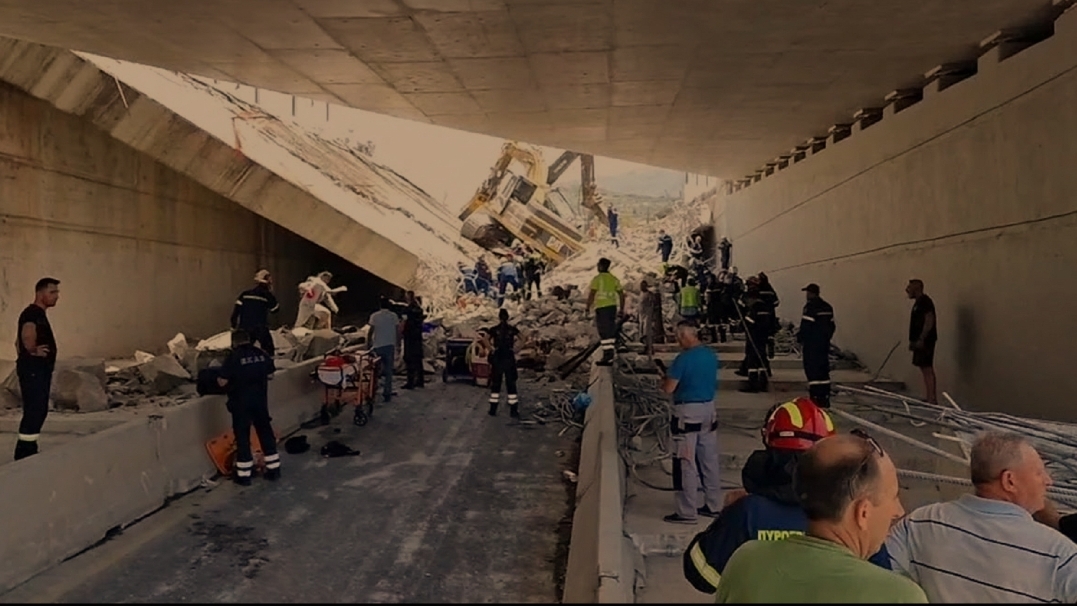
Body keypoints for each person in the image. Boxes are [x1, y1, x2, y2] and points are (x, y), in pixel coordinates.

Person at [683, 397, 895, 594]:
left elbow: (702, 576)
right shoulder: (856, 519)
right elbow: (884, 584)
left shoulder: (749, 512)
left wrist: (727, 516)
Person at [716, 432, 925, 603]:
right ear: (863, 513)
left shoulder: (746, 561)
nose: (899, 511)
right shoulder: (898, 596)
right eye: (893, 496)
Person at [886, 432, 1077, 603]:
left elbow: (880, 575)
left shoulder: (919, 522)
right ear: (1009, 481)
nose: (1048, 481)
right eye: (1039, 473)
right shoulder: (1059, 554)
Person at [655, 322, 721, 525]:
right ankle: (714, 505)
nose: (677, 341)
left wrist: (663, 380)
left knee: (686, 463)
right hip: (709, 411)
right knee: (709, 461)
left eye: (678, 337)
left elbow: (669, 388)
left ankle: (687, 511)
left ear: (685, 336)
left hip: (687, 413)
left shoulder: (682, 359)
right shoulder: (710, 355)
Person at [216, 329, 280, 486]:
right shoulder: (260, 353)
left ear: (234, 342)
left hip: (241, 404)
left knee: (243, 437)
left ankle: (244, 475)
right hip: (260, 402)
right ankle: (273, 470)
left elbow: (222, 382)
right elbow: (271, 375)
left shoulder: (233, 357)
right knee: (265, 433)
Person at [13, 278, 60, 461]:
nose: (56, 296)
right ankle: (24, 451)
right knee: (35, 410)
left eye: (57, 292)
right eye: (52, 292)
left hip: (37, 370)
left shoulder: (38, 314)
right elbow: (26, 335)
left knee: (38, 409)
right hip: (34, 370)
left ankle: (28, 448)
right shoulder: (32, 314)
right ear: (40, 294)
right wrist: (32, 351)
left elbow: (16, 343)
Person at [798, 283, 835, 408]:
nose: (806, 295)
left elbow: (806, 327)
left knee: (812, 370)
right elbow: (832, 326)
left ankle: (815, 398)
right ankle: (825, 397)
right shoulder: (827, 307)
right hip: (824, 344)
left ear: (811, 293)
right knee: (823, 370)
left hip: (812, 344)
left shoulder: (810, 307)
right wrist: (826, 338)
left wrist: (800, 339)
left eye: (807, 293)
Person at [230, 269, 280, 358]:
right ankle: (267, 363)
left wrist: (233, 326)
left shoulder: (245, 294)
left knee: (243, 351)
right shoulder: (267, 295)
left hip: (245, 327)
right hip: (260, 328)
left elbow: (235, 312)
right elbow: (275, 309)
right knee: (268, 350)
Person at [482, 308, 521, 418]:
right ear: (508, 317)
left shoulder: (494, 329)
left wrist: (491, 349)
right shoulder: (512, 329)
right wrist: (517, 348)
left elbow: (485, 339)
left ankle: (493, 410)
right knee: (511, 384)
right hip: (509, 357)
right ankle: (513, 411)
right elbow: (523, 337)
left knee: (496, 384)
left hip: (498, 358)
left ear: (499, 317)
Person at [586, 257, 625, 366]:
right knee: (610, 330)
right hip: (612, 308)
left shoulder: (597, 279)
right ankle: (611, 352)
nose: (597, 267)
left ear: (602, 266)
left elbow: (592, 294)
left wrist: (587, 307)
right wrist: (621, 309)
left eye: (598, 265)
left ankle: (608, 356)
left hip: (602, 308)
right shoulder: (614, 279)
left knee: (604, 332)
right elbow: (621, 295)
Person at [905, 279, 937, 404]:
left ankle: (932, 399)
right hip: (918, 341)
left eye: (909, 287)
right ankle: (929, 396)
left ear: (917, 288)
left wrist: (921, 339)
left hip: (925, 341)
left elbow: (929, 320)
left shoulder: (925, 302)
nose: (907, 290)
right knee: (923, 368)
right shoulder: (918, 303)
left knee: (927, 368)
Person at [738, 277, 772, 393]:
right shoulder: (765, 307)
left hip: (754, 338)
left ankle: (753, 384)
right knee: (762, 360)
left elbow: (747, 323)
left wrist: (741, 324)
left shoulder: (755, 308)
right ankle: (763, 384)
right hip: (763, 338)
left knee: (752, 362)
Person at [366, 297, 401, 403]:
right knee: (388, 371)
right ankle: (387, 393)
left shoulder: (374, 316)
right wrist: (398, 344)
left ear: (380, 305)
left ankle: (372, 391)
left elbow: (370, 331)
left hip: (377, 346)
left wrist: (368, 344)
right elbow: (398, 331)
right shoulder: (394, 316)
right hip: (389, 345)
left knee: (375, 371)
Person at [401, 290, 426, 389]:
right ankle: (420, 380)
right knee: (418, 359)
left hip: (409, 336)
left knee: (409, 359)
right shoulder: (419, 310)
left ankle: (410, 382)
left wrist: (401, 332)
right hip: (417, 336)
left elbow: (404, 322)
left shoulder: (407, 310)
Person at [638, 280, 665, 356]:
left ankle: (649, 349)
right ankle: (645, 348)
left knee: (647, 334)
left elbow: (654, 305)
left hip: (648, 316)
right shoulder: (641, 294)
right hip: (642, 316)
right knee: (642, 334)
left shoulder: (650, 295)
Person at [756, 272, 779, 359]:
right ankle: (771, 351)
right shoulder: (770, 289)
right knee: (770, 334)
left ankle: (762, 353)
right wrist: (770, 306)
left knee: (761, 336)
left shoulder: (758, 289)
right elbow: (776, 302)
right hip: (771, 314)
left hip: (760, 315)